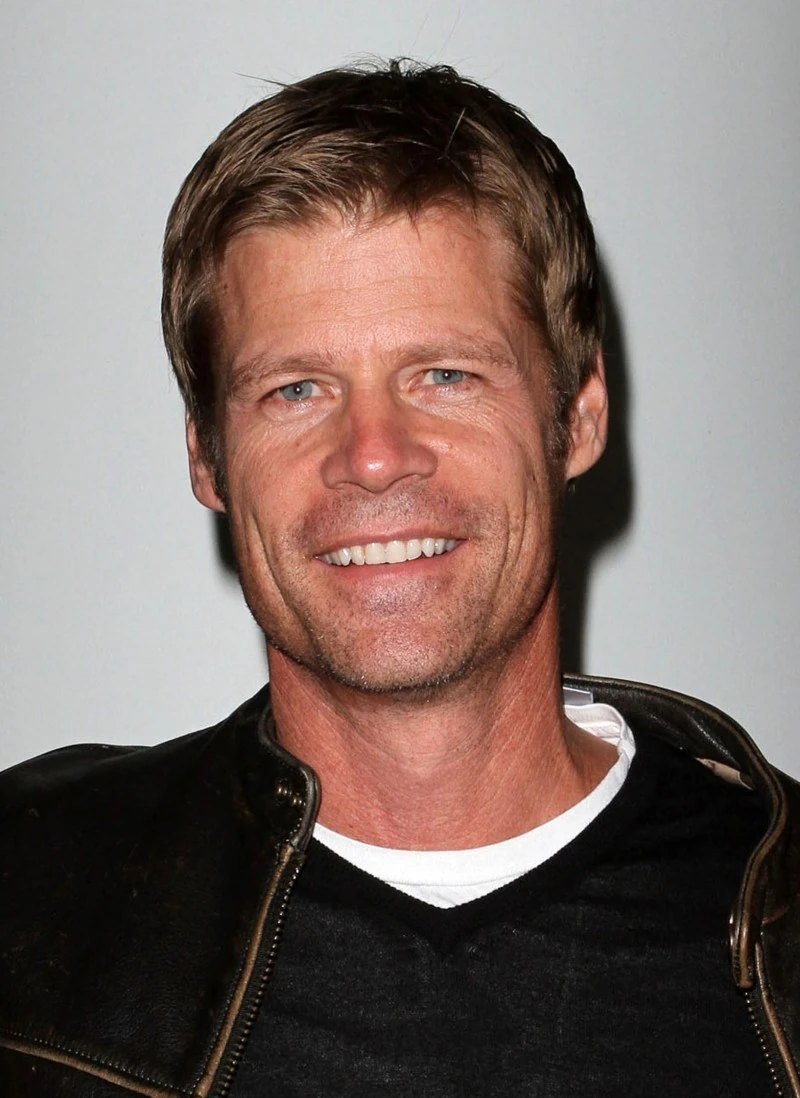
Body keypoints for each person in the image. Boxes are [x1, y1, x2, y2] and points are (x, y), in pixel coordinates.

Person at [1, 60, 797, 1098]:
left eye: (445, 375)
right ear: (207, 458)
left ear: (578, 416)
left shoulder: (781, 918)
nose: (373, 455)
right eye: (296, 389)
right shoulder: (30, 893)